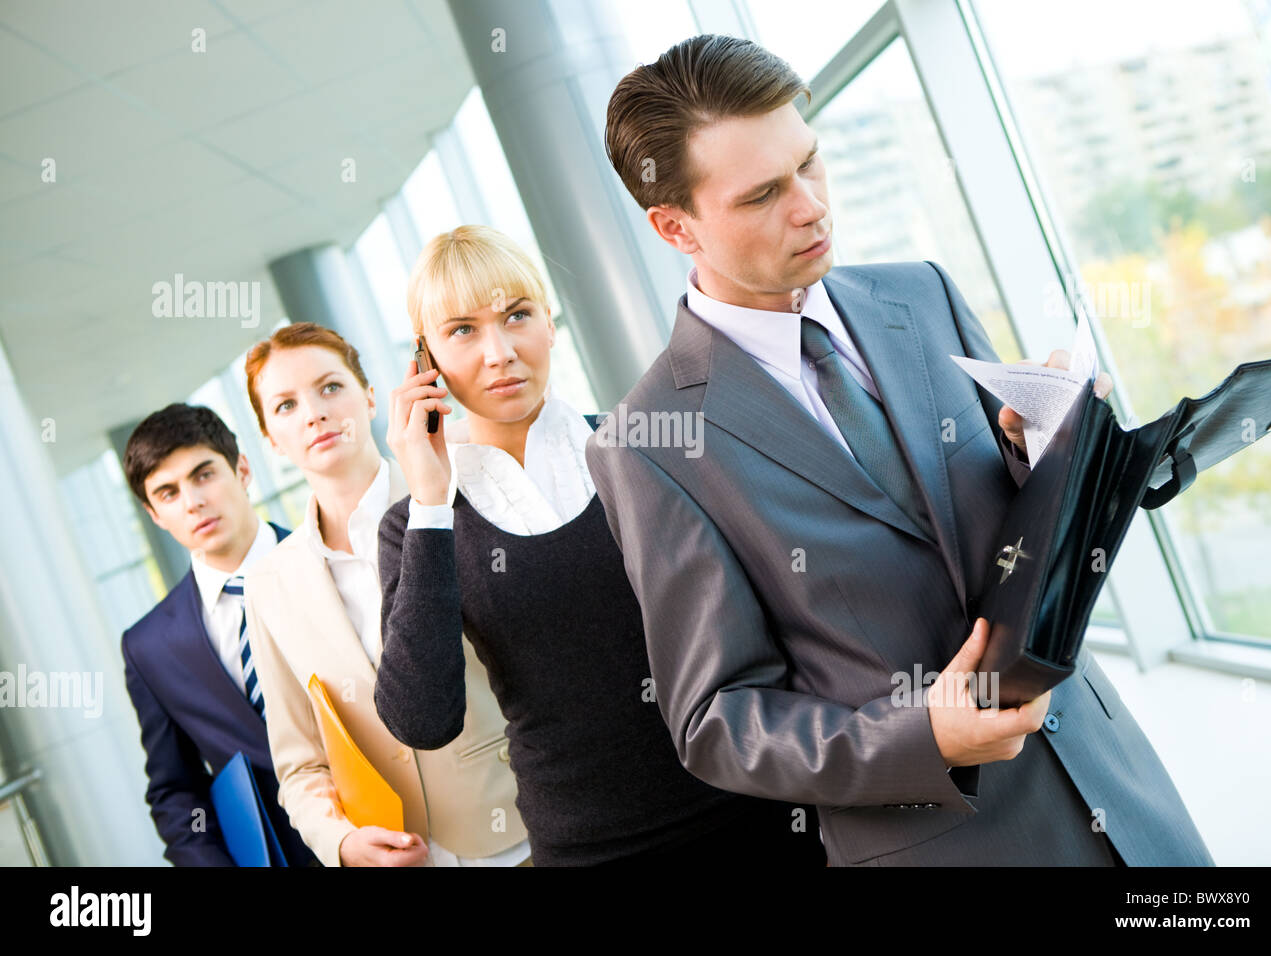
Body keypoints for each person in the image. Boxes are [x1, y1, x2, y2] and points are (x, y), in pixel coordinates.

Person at [588, 34, 1215, 866]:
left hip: (1116, 789)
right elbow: (718, 722)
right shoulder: (650, 443)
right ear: (675, 227)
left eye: (811, 164)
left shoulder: (922, 294)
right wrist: (924, 736)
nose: (810, 205)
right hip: (940, 840)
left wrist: (1048, 454)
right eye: (763, 194)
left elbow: (1019, 543)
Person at [373, 224, 826, 866]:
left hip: (756, 809)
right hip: (589, 847)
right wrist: (429, 502)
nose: (499, 352)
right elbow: (422, 719)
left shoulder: (643, 443)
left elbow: (777, 613)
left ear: (550, 323)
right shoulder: (418, 523)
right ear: (426, 362)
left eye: (516, 315)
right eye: (463, 330)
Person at [239, 322, 527, 867]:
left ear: (369, 397)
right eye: (285, 406)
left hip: (523, 822)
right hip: (402, 853)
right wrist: (340, 842)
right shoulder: (270, 584)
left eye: (329, 388)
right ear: (270, 440)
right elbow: (300, 763)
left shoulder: (461, 499)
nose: (314, 414)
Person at [121, 403, 316, 866]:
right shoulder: (149, 647)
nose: (193, 502)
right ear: (154, 514)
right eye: (168, 493)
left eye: (204, 475)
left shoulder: (331, 563)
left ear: (242, 469)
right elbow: (176, 791)